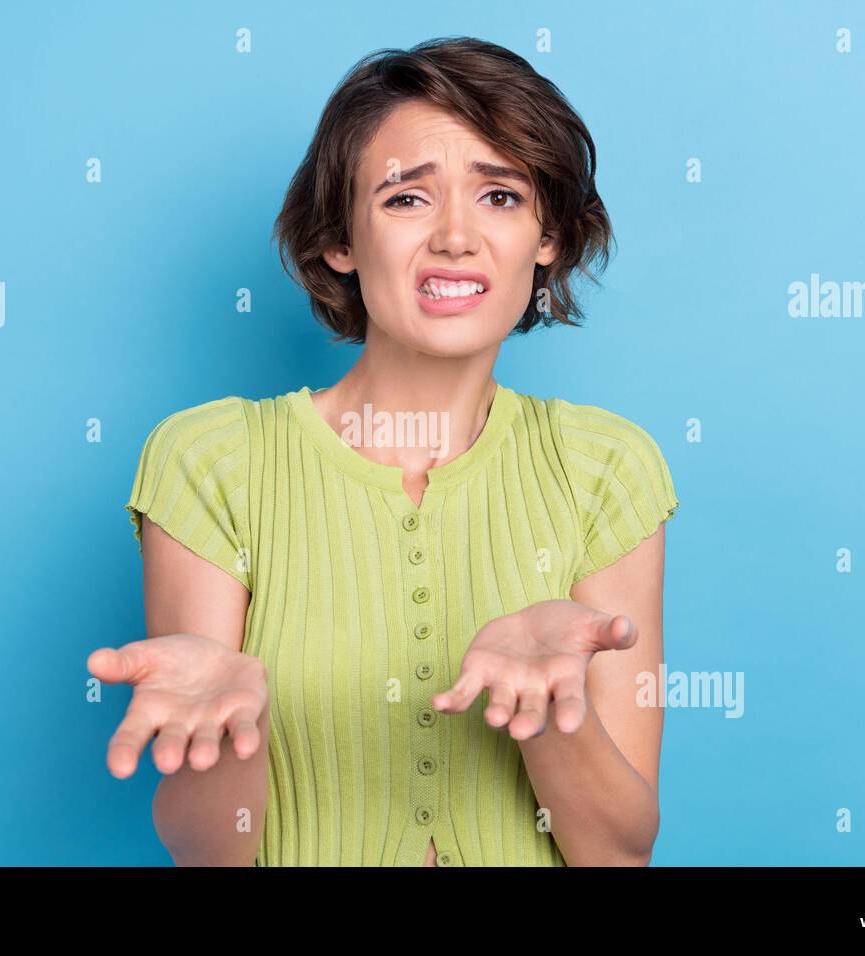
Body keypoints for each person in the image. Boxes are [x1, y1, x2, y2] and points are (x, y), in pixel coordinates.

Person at [87, 36, 679, 867]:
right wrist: (232, 729)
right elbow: (206, 854)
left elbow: (619, 855)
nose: (457, 238)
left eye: (501, 196)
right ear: (340, 240)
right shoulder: (210, 461)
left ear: (548, 237)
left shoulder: (607, 468)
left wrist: (548, 712)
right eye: (406, 200)